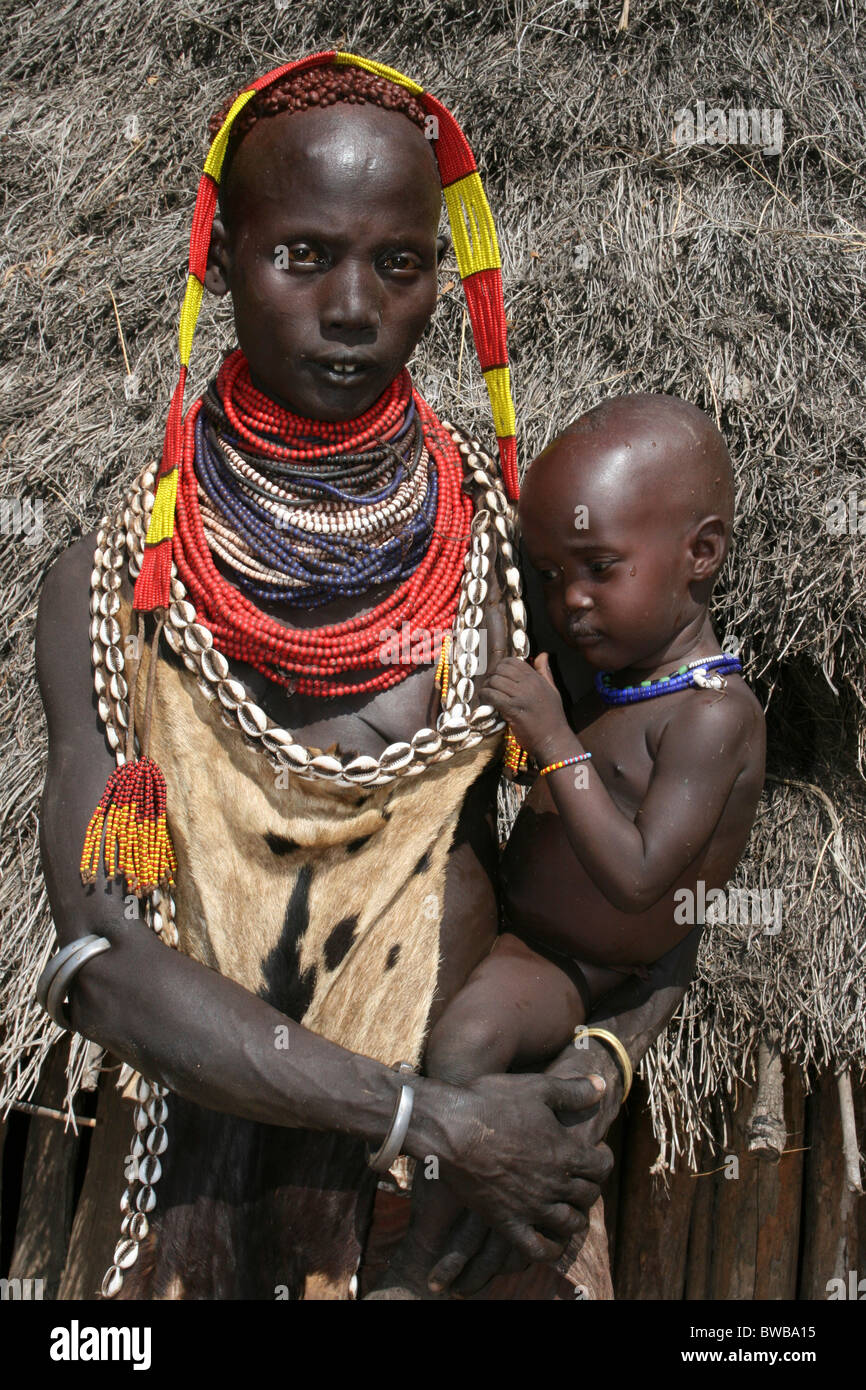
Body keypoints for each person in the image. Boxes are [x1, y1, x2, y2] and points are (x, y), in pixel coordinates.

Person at [34, 55, 703, 1301]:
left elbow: (659, 872)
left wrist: (605, 1057)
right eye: (302, 256)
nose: (353, 308)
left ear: (437, 281)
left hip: (467, 1199)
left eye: (398, 265)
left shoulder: (514, 558)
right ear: (224, 255)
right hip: (197, 1186)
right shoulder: (112, 583)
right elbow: (101, 963)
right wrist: (422, 1118)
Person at [370, 394, 766, 1298]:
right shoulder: (611, 675)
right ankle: (436, 1248)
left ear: (700, 555)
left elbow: (637, 877)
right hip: (538, 948)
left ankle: (438, 1262)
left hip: (606, 960)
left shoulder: (714, 719)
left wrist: (554, 739)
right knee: (463, 1047)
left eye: (598, 567)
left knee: (508, 1076)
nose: (570, 602)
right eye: (554, 574)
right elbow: (523, 622)